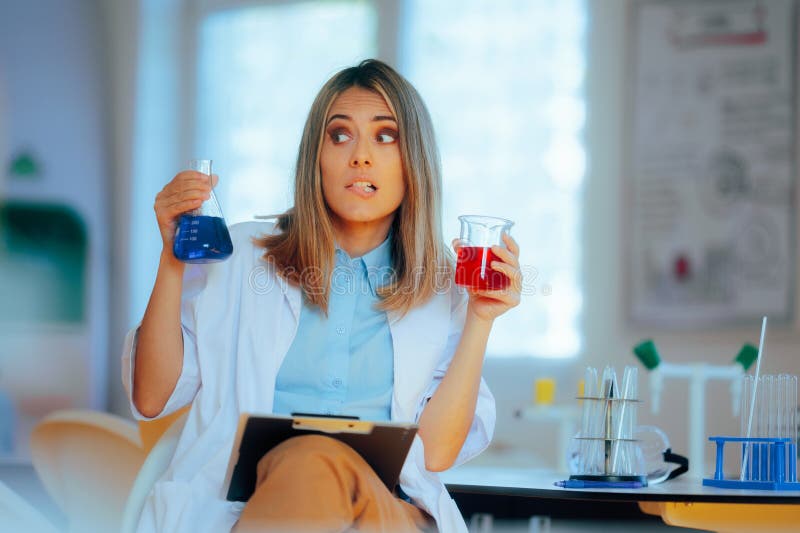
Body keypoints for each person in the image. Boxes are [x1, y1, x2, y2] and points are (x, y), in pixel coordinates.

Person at [122, 59, 522, 533]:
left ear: (414, 160)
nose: (360, 156)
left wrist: (481, 319)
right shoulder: (242, 258)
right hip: (249, 510)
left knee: (316, 457)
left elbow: (435, 454)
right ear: (316, 156)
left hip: (387, 513)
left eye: (385, 135)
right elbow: (151, 396)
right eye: (339, 135)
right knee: (308, 462)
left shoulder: (442, 289)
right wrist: (172, 259)